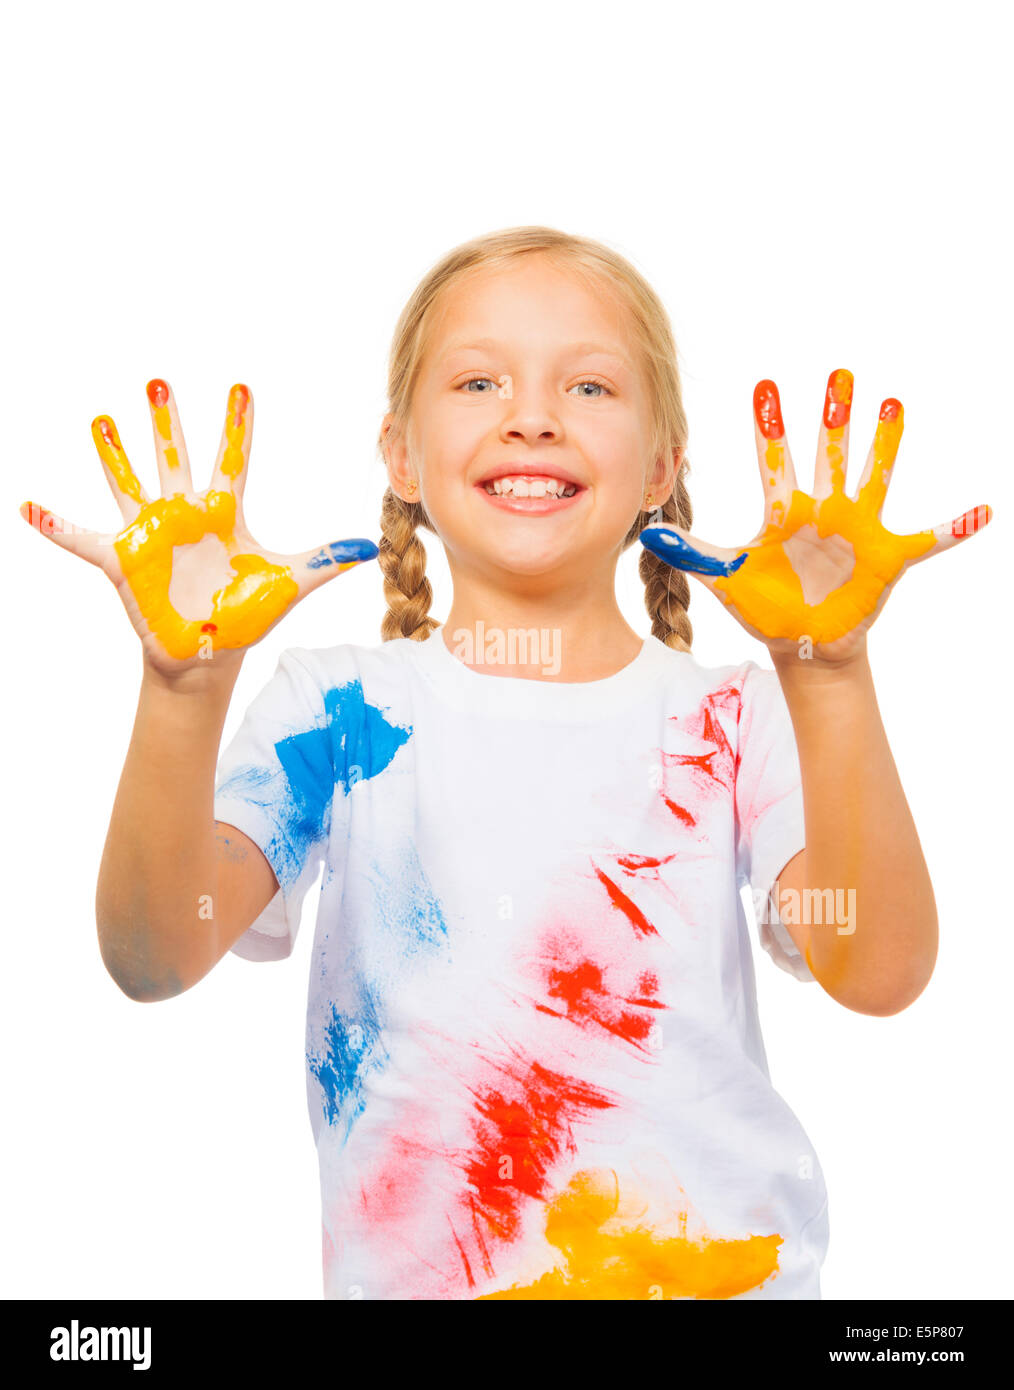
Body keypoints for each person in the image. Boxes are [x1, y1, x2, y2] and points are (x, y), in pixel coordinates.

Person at [19, 225, 991, 1300]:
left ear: (663, 465)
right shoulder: (340, 710)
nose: (532, 415)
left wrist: (829, 678)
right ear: (401, 455)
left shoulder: (731, 717)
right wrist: (181, 692)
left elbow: (882, 970)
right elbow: (154, 956)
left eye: (588, 386)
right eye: (479, 380)